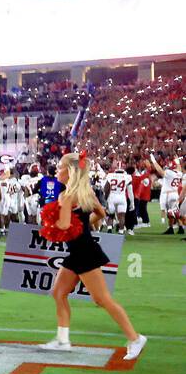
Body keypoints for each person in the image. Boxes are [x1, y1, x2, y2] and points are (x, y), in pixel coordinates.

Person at [39, 153, 146, 361]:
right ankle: (62, 340)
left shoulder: (67, 196)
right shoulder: (85, 193)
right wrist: (84, 225)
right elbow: (101, 213)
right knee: (58, 293)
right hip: (79, 250)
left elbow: (62, 225)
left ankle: (135, 338)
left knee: (102, 299)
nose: (57, 171)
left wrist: (48, 220)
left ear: (69, 171)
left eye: (60, 167)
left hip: (84, 253)